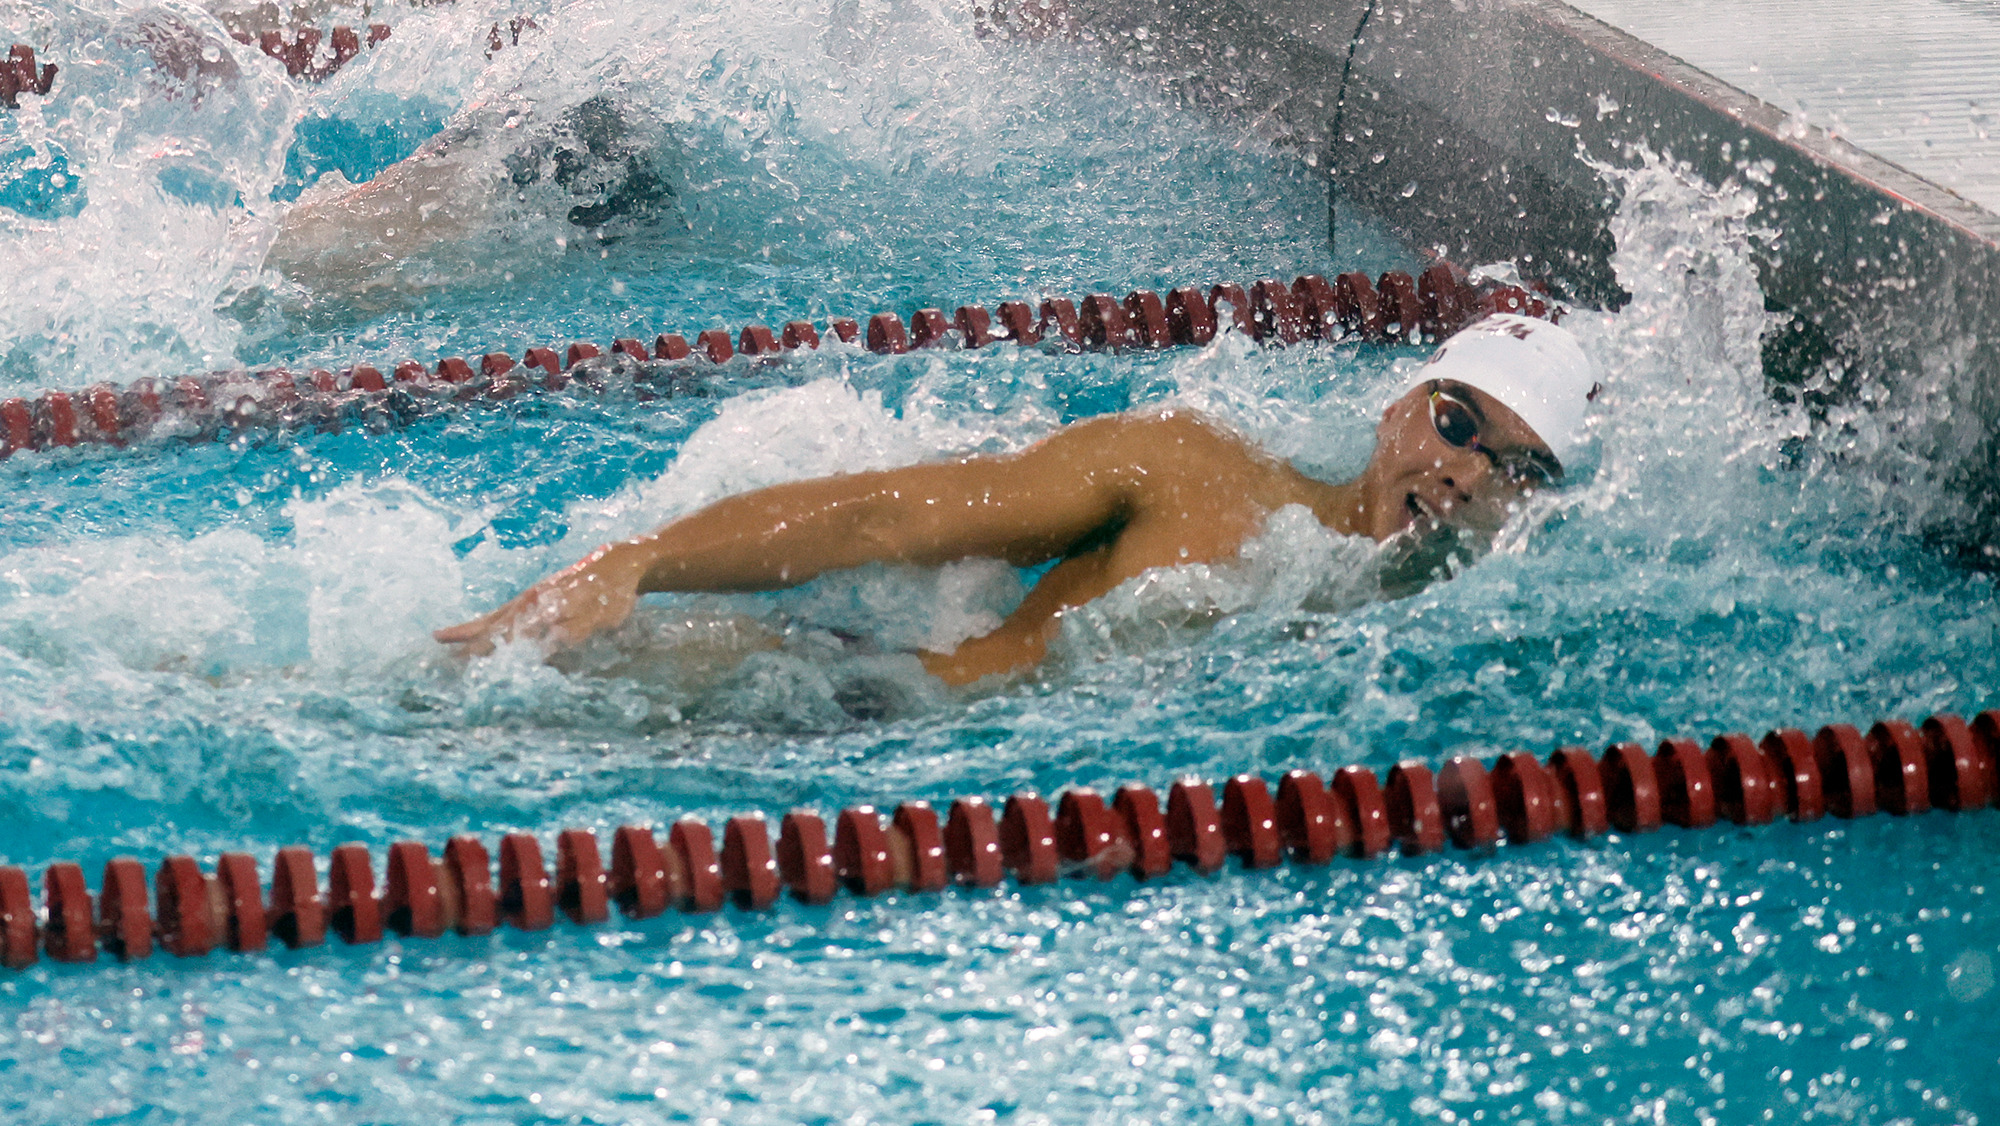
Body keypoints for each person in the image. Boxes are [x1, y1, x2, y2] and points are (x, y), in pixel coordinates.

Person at [435, 313, 1601, 684]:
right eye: (1457, 422)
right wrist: (637, 563)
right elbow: (889, 515)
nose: (1463, 473)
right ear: (1396, 407)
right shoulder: (1191, 470)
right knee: (455, 693)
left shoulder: (1459, 649)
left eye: (1514, 467)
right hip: (867, 705)